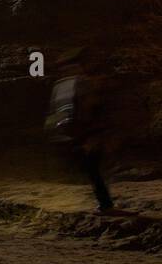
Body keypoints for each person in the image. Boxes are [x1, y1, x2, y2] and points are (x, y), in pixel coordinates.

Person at [44, 51, 115, 212]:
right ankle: (104, 203)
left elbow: (92, 109)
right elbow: (60, 110)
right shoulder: (66, 85)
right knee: (92, 169)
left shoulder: (80, 85)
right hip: (79, 132)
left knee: (93, 168)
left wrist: (95, 135)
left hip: (87, 132)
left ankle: (105, 204)